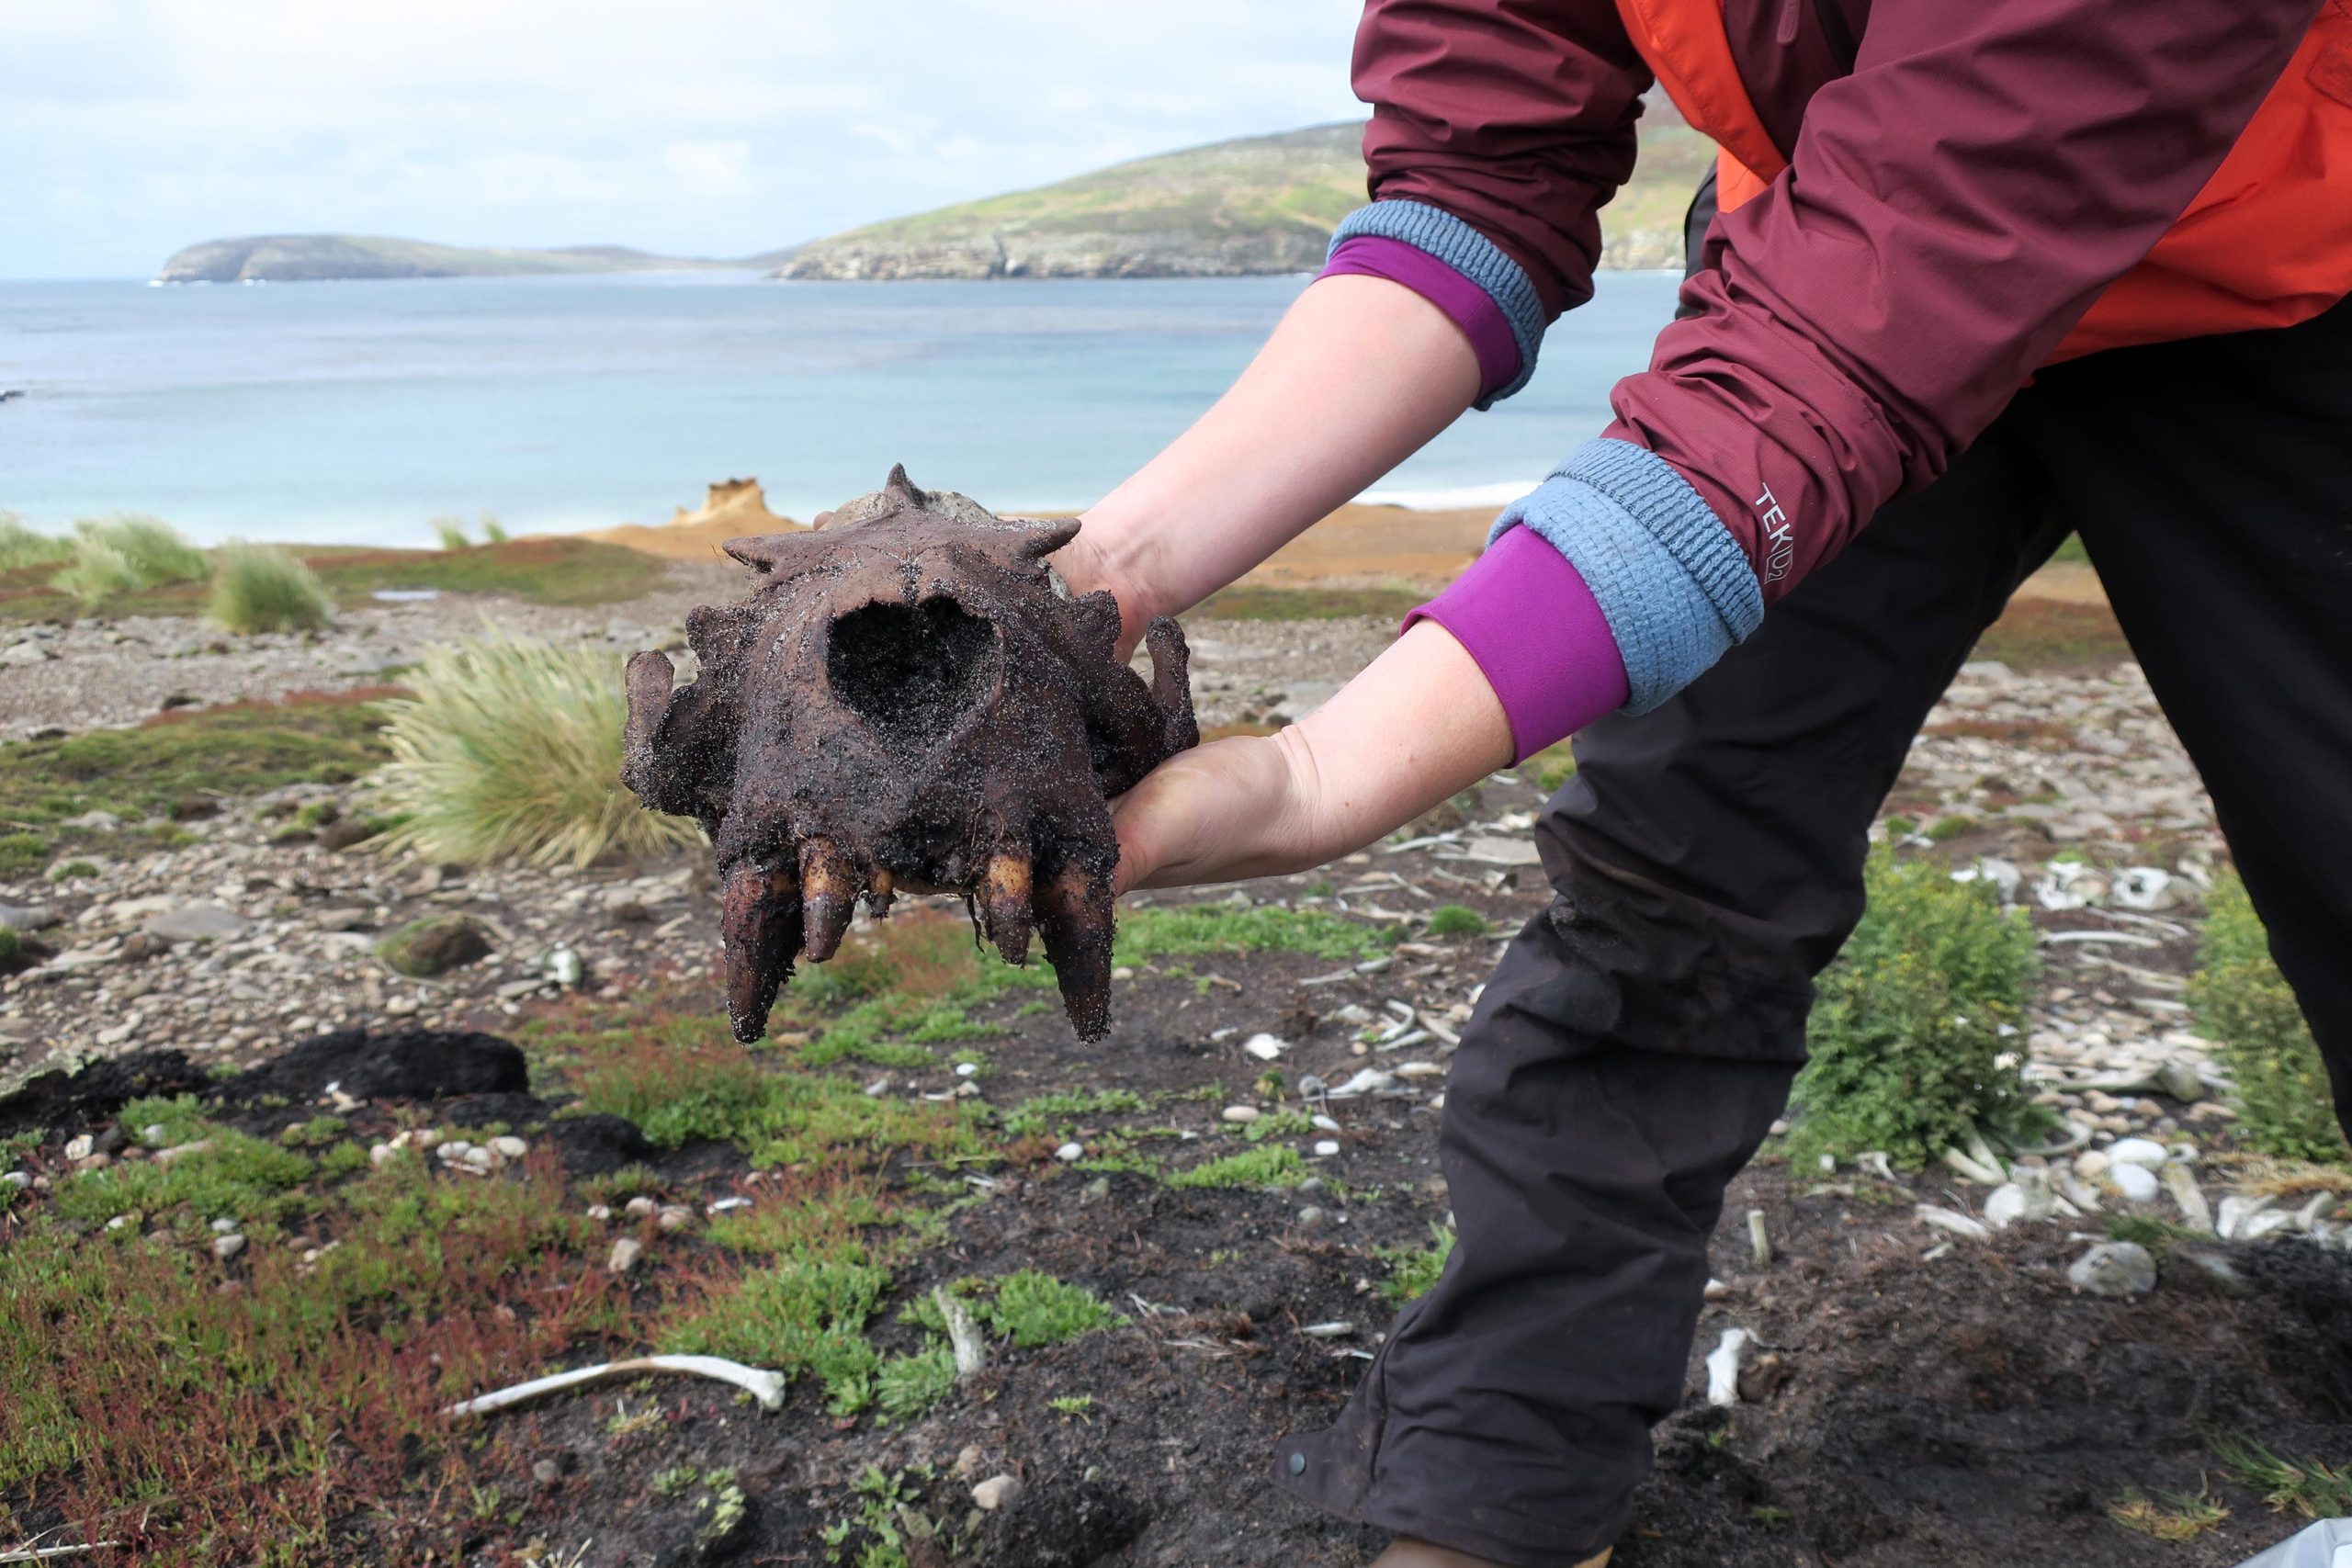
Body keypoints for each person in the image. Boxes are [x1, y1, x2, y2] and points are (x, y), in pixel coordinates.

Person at [1035, 0, 2352, 1563]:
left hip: (2282, 276)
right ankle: (1497, 1489)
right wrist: (1097, 580)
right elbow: (1480, 173)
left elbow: (1934, 242)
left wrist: (1327, 772)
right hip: (1823, 261)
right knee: (1668, 878)